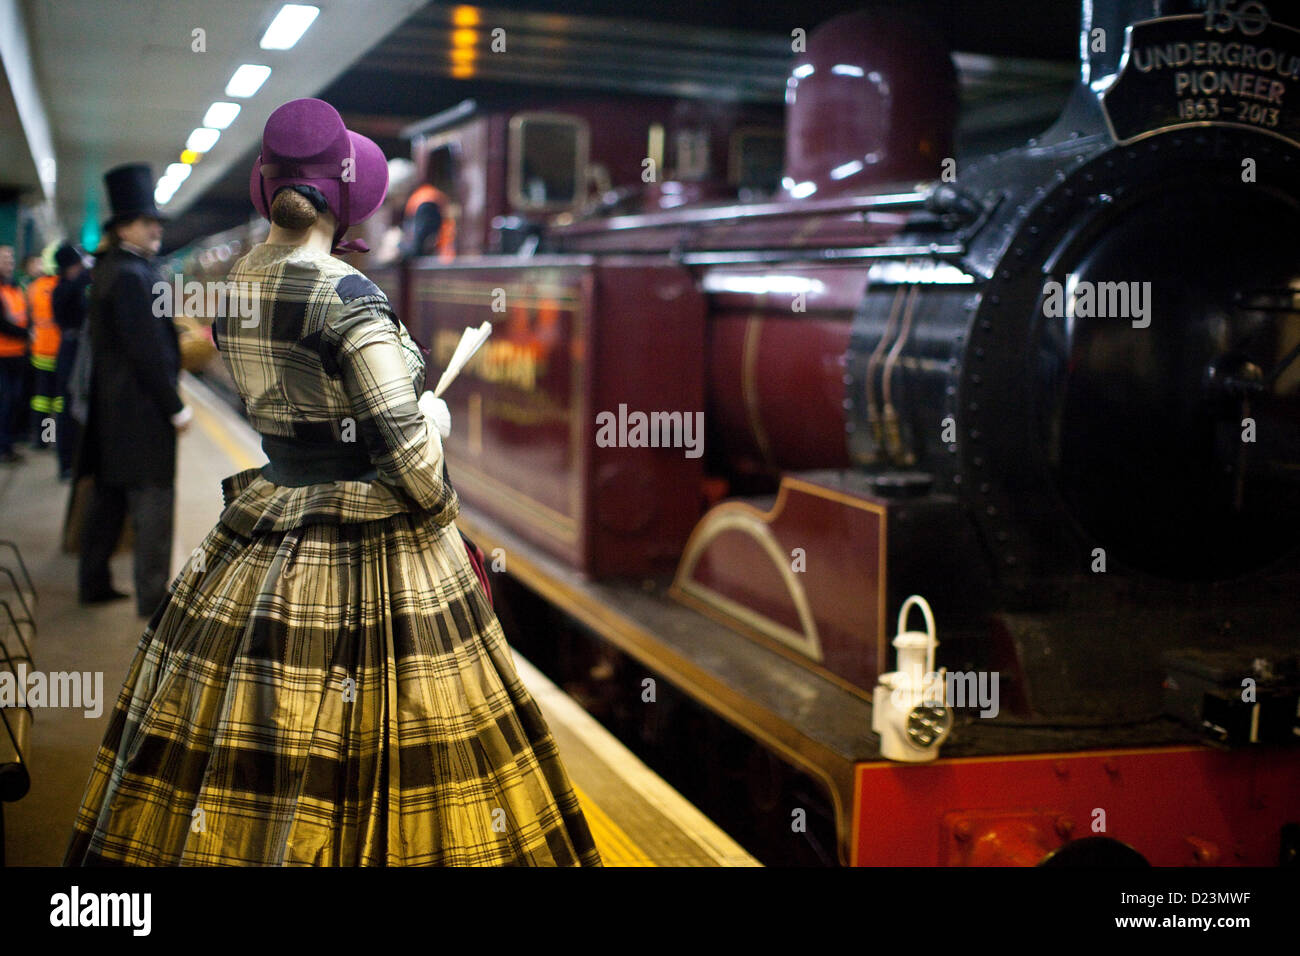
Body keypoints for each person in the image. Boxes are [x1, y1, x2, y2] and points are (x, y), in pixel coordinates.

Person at [65, 98, 601, 866]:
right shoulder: (352, 300)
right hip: (374, 556)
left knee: (234, 734)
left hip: (264, 531)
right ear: (343, 199)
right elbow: (412, 467)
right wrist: (433, 437)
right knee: (423, 753)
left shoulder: (239, 287)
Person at [74, 163, 189, 613]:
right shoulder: (131, 275)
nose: (156, 228)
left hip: (111, 411)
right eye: (148, 222)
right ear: (125, 227)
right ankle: (154, 598)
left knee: (106, 499)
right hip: (140, 413)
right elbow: (148, 351)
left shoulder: (111, 269)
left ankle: (93, 581)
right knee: (152, 504)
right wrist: (175, 406)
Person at [52, 243, 89, 479]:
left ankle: (77, 459)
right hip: (70, 349)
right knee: (67, 406)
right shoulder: (62, 289)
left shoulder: (76, 285)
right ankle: (66, 462)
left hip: (78, 348)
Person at [25, 250, 60, 448]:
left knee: (40, 399)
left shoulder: (34, 287)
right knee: (57, 401)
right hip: (58, 351)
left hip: (39, 352)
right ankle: (52, 437)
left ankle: (41, 439)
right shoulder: (60, 286)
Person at [0, 245, 29, 464]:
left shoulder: (15, 288)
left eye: (11, 257)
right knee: (5, 402)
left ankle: (8, 446)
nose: (9, 261)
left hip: (17, 354)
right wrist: (27, 334)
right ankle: (3, 448)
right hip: (2, 355)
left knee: (14, 402)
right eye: (4, 258)